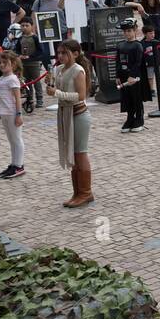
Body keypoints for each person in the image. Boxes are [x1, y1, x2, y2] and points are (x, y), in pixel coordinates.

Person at [47, 39, 94, 208]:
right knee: (73, 154)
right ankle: (77, 192)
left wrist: (57, 93)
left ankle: (86, 192)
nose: (60, 56)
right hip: (66, 114)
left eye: (64, 53)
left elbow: (81, 96)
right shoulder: (59, 69)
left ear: (74, 54)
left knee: (80, 153)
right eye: (59, 53)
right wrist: (51, 88)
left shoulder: (78, 70)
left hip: (78, 114)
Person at [0, 50, 26, 180]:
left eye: (4, 63)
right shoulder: (1, 78)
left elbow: (17, 98)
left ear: (12, 64)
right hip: (4, 113)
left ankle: (19, 165)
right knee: (12, 140)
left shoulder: (13, 79)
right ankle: (14, 164)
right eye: (0, 62)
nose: (1, 65)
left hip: (12, 113)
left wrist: (19, 114)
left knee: (17, 139)